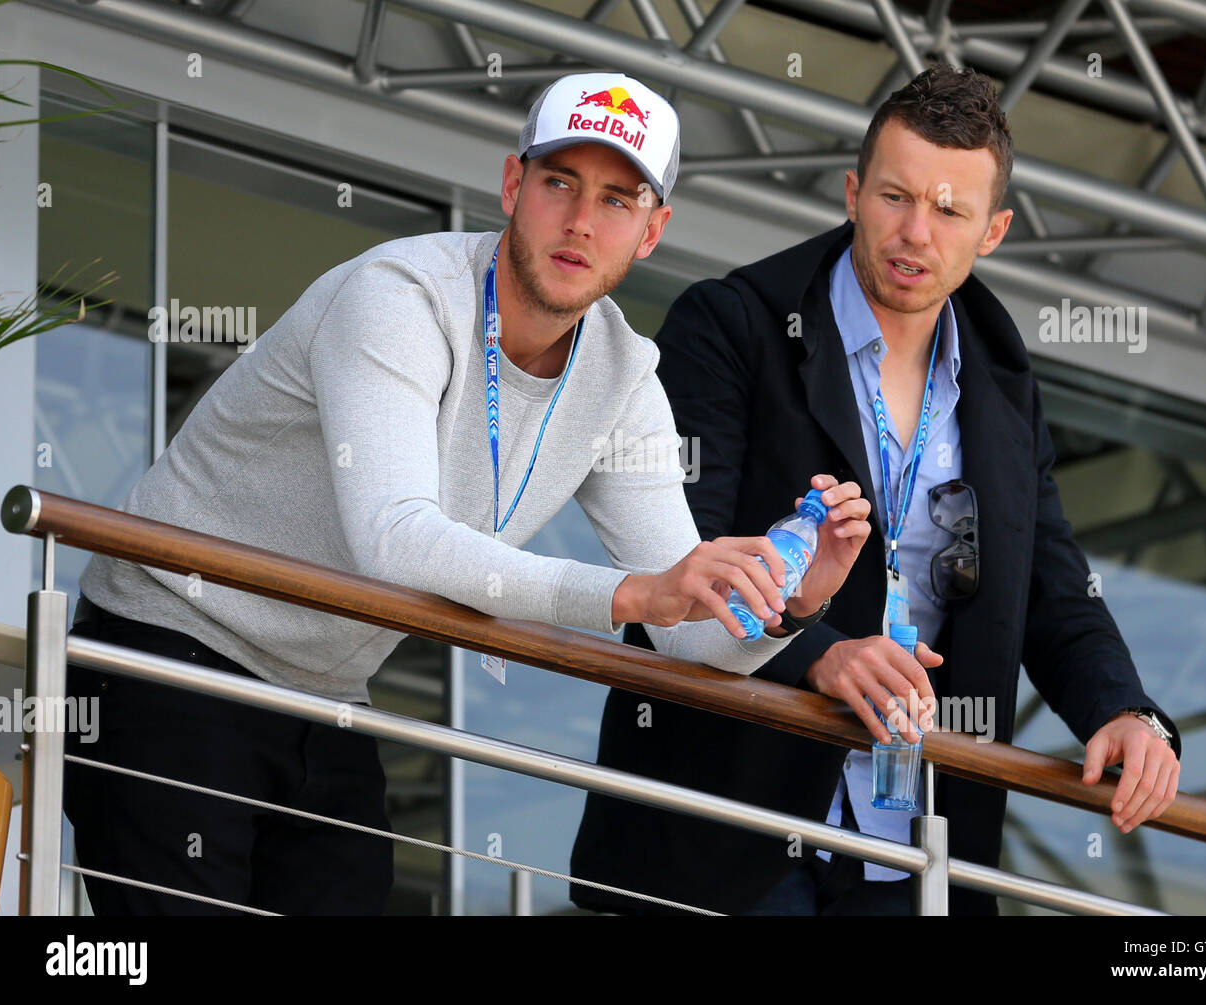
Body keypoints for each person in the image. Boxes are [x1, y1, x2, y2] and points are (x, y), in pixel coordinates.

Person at [63, 71, 873, 915]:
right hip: (168, 644)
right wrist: (637, 594)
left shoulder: (626, 376)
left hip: (324, 694)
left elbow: (681, 638)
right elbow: (396, 536)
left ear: (652, 231)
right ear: (513, 184)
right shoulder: (402, 296)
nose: (581, 221)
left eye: (617, 200)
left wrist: (785, 605)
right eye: (560, 182)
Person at [570, 65, 1182, 917]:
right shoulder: (733, 326)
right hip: (727, 835)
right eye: (895, 197)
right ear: (854, 191)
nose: (915, 232)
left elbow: (1052, 583)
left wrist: (1125, 711)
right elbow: (675, 561)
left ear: (994, 231)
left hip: (914, 856)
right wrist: (820, 653)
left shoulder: (1005, 386)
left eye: (950, 210)